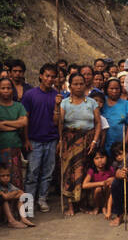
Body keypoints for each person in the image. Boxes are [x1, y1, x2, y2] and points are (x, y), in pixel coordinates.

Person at [56, 71, 101, 216]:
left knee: (83, 172)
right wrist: (56, 108)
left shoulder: (92, 102)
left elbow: (98, 123)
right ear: (70, 86)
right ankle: (70, 206)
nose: (78, 87)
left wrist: (94, 140)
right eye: (75, 84)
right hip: (69, 141)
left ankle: (83, 204)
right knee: (69, 172)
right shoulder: (64, 103)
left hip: (87, 141)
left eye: (81, 84)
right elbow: (58, 123)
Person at [22, 63, 61, 212]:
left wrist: (57, 106)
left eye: (53, 76)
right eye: (47, 76)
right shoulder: (30, 95)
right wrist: (25, 139)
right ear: (40, 76)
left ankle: (42, 199)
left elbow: (57, 122)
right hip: (34, 140)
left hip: (51, 139)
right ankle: (27, 204)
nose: (50, 79)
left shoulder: (56, 96)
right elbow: (25, 119)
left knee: (47, 173)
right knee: (32, 173)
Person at [0, 77, 28, 196]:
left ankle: (17, 209)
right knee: (1, 179)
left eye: (9, 88)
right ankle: (3, 211)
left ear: (13, 90)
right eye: (3, 88)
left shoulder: (18, 106)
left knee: (16, 178)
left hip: (15, 147)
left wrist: (4, 122)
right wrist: (14, 125)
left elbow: (23, 123)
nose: (6, 90)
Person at [100, 77, 128, 155]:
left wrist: (125, 142)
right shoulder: (101, 101)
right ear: (106, 89)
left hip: (120, 143)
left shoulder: (126, 104)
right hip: (103, 142)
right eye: (111, 88)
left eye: (117, 88)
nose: (114, 91)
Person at [82, 149, 115, 215]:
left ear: (106, 158)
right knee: (98, 189)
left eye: (102, 157)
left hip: (107, 195)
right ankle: (96, 207)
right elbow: (84, 185)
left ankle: (105, 206)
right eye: (96, 158)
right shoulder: (92, 171)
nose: (100, 160)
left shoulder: (110, 169)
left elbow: (116, 179)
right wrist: (101, 183)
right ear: (93, 160)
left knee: (110, 186)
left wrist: (113, 179)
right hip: (95, 197)